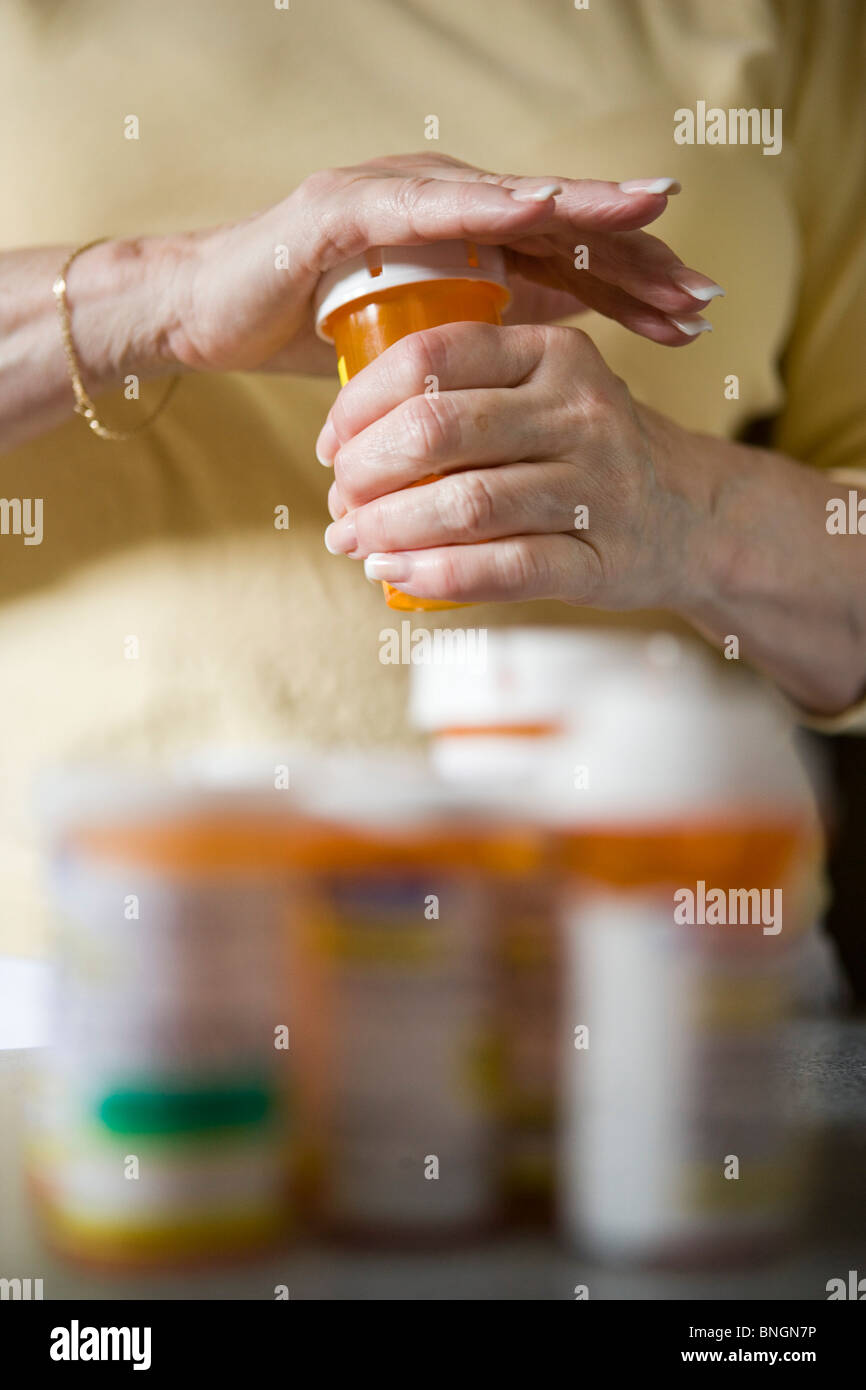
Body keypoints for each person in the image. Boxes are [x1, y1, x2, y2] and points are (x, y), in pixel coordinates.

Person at [0, 0, 864, 955]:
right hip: (103, 993)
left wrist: (693, 510)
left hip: (666, 981)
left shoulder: (796, 21)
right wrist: (161, 293)